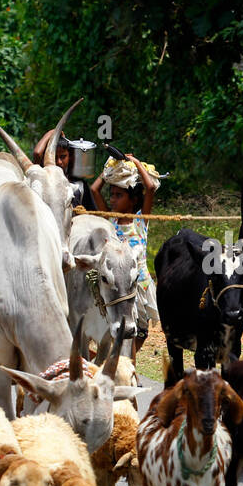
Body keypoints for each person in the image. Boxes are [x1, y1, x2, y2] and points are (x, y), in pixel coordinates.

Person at [90, 152, 162, 358]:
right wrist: (110, 170)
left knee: (142, 331)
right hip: (118, 284)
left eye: (118, 195)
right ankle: (130, 368)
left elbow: (150, 188)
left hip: (139, 282)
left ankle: (118, 360)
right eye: (111, 195)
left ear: (133, 200)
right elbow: (95, 189)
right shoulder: (110, 220)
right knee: (125, 329)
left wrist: (136, 163)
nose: (112, 199)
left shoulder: (140, 221)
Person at [33, 128, 96, 210]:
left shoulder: (79, 185)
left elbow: (91, 215)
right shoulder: (42, 181)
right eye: (54, 157)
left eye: (63, 157)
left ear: (70, 157)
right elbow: (37, 153)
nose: (59, 162)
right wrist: (53, 132)